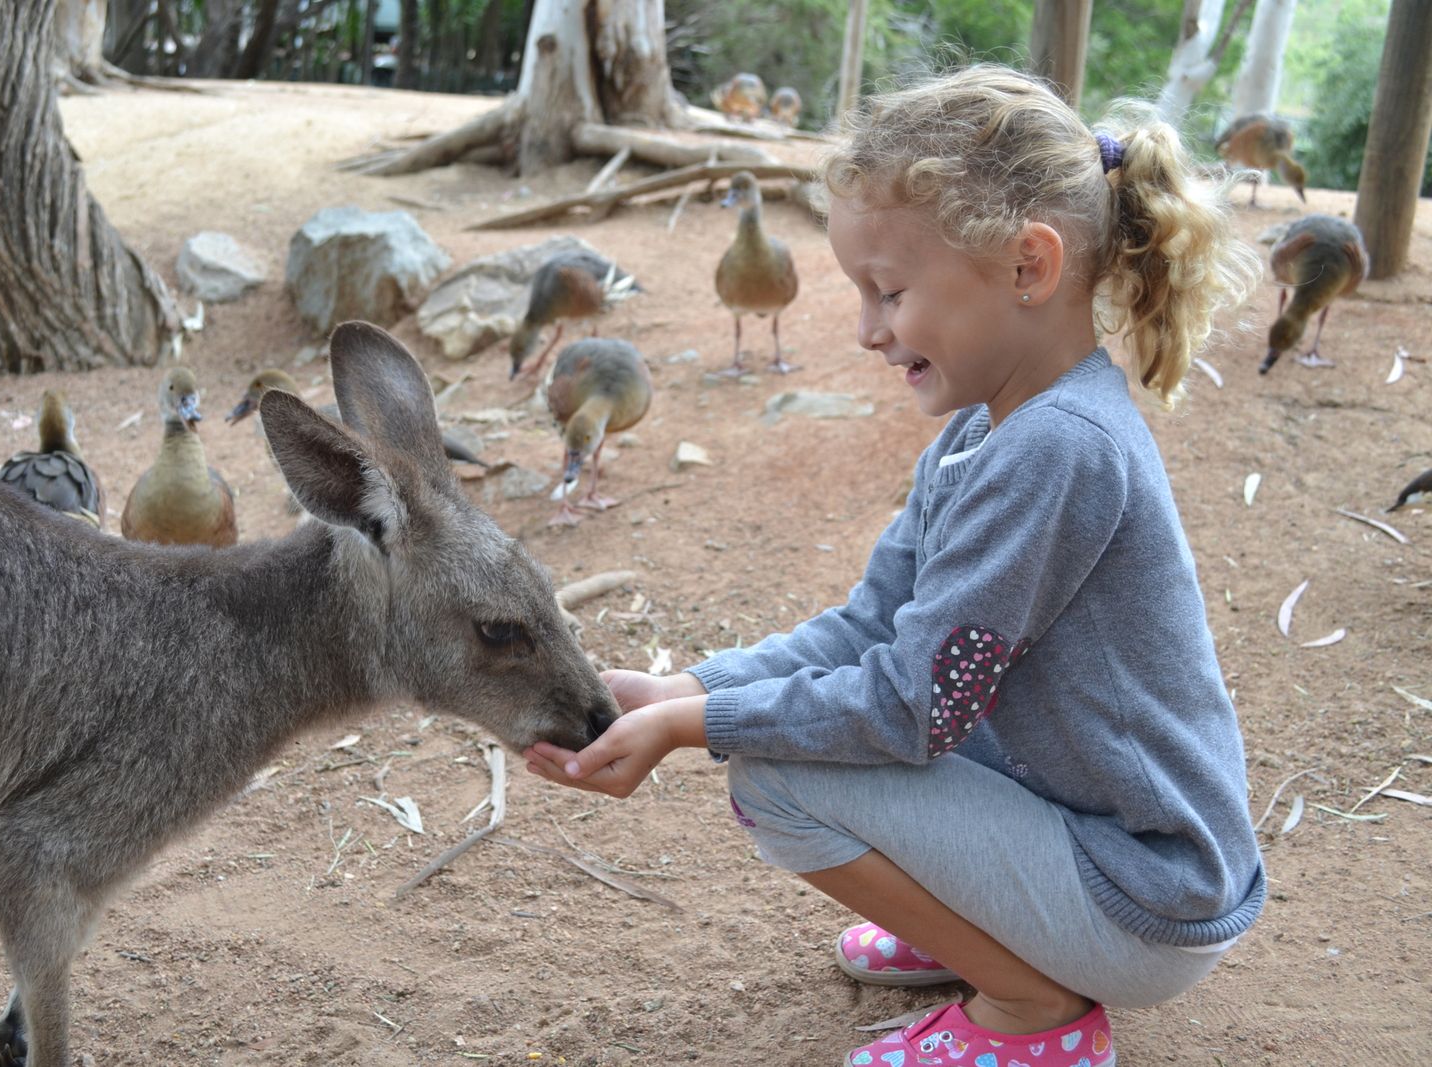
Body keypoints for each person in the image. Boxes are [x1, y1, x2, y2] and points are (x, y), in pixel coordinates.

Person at [524, 65, 1266, 1066]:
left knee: (779, 768)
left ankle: (1032, 1004)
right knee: (806, 725)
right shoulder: (983, 431)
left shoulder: (1057, 449)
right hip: (1112, 850)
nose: (868, 330)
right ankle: (987, 913)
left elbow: (916, 704)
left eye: (890, 291)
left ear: (1027, 267)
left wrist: (699, 725)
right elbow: (873, 624)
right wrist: (686, 684)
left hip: (1144, 901)